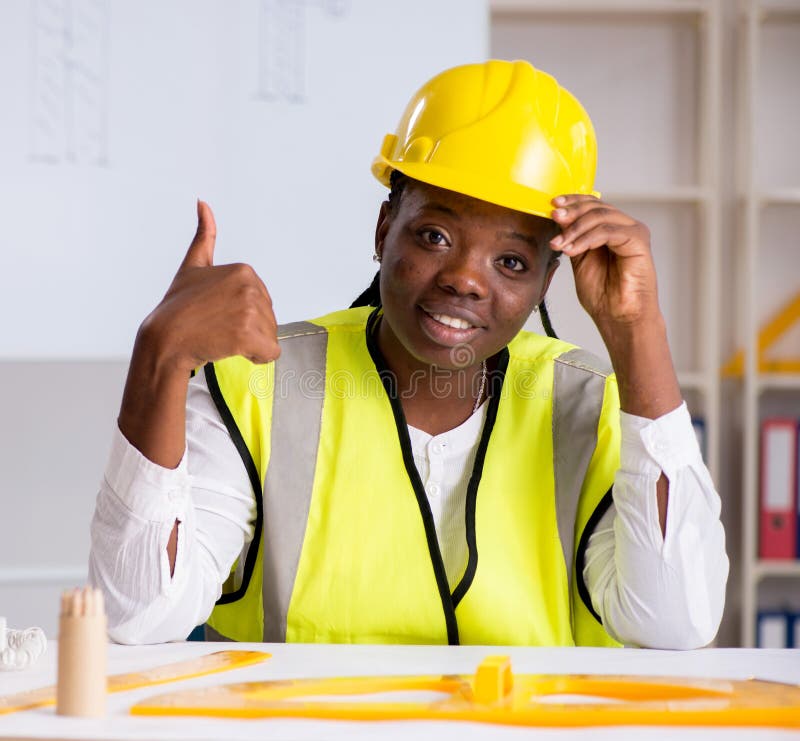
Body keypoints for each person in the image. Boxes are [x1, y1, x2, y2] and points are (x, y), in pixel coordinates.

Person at [89, 59, 728, 648]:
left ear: (543, 283)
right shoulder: (259, 384)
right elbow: (139, 613)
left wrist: (636, 333)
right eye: (435, 235)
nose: (466, 279)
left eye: (510, 260)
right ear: (383, 229)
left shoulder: (591, 403)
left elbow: (675, 622)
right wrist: (161, 354)